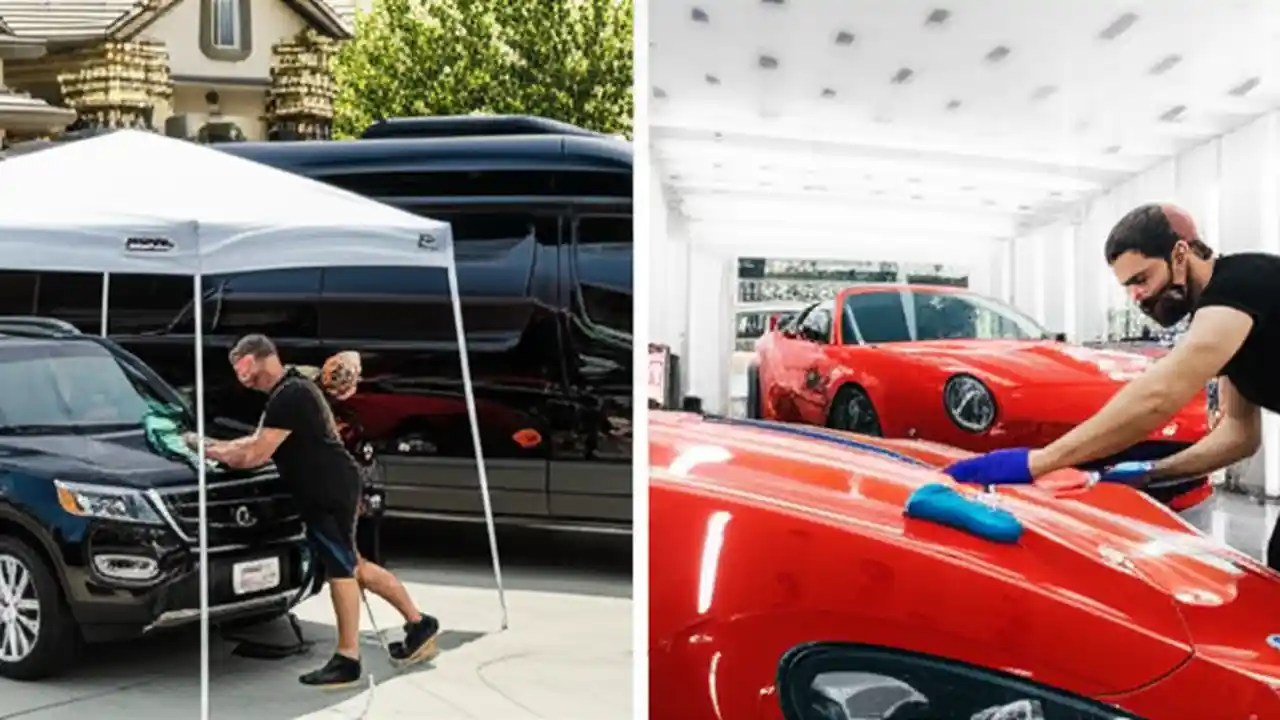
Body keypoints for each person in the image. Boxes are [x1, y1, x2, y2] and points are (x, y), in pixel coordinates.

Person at [944, 203, 1278, 563]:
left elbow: (1158, 395)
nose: (1137, 297)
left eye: (1141, 279)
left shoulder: (1240, 285)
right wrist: (1150, 473)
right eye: (1128, 287)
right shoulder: (1226, 313)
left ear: (1180, 254)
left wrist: (1040, 461)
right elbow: (1238, 436)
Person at [183, 334, 439, 687]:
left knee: (341, 569)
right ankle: (420, 624)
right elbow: (258, 440)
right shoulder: (292, 386)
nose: (240, 376)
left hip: (327, 489)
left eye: (241, 366)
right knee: (355, 565)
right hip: (334, 483)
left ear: (260, 358)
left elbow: (254, 454)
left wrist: (207, 450)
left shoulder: (288, 396)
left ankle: (347, 658)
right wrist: (216, 445)